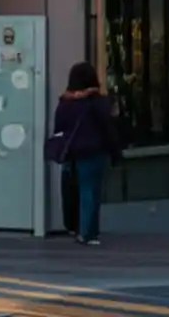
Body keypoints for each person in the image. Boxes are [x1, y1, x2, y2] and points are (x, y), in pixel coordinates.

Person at [52, 62, 121, 246]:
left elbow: (59, 127)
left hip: (72, 151)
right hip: (93, 150)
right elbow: (107, 128)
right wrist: (115, 152)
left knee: (73, 190)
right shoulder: (97, 102)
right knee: (91, 190)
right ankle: (88, 232)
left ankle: (75, 226)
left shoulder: (65, 102)